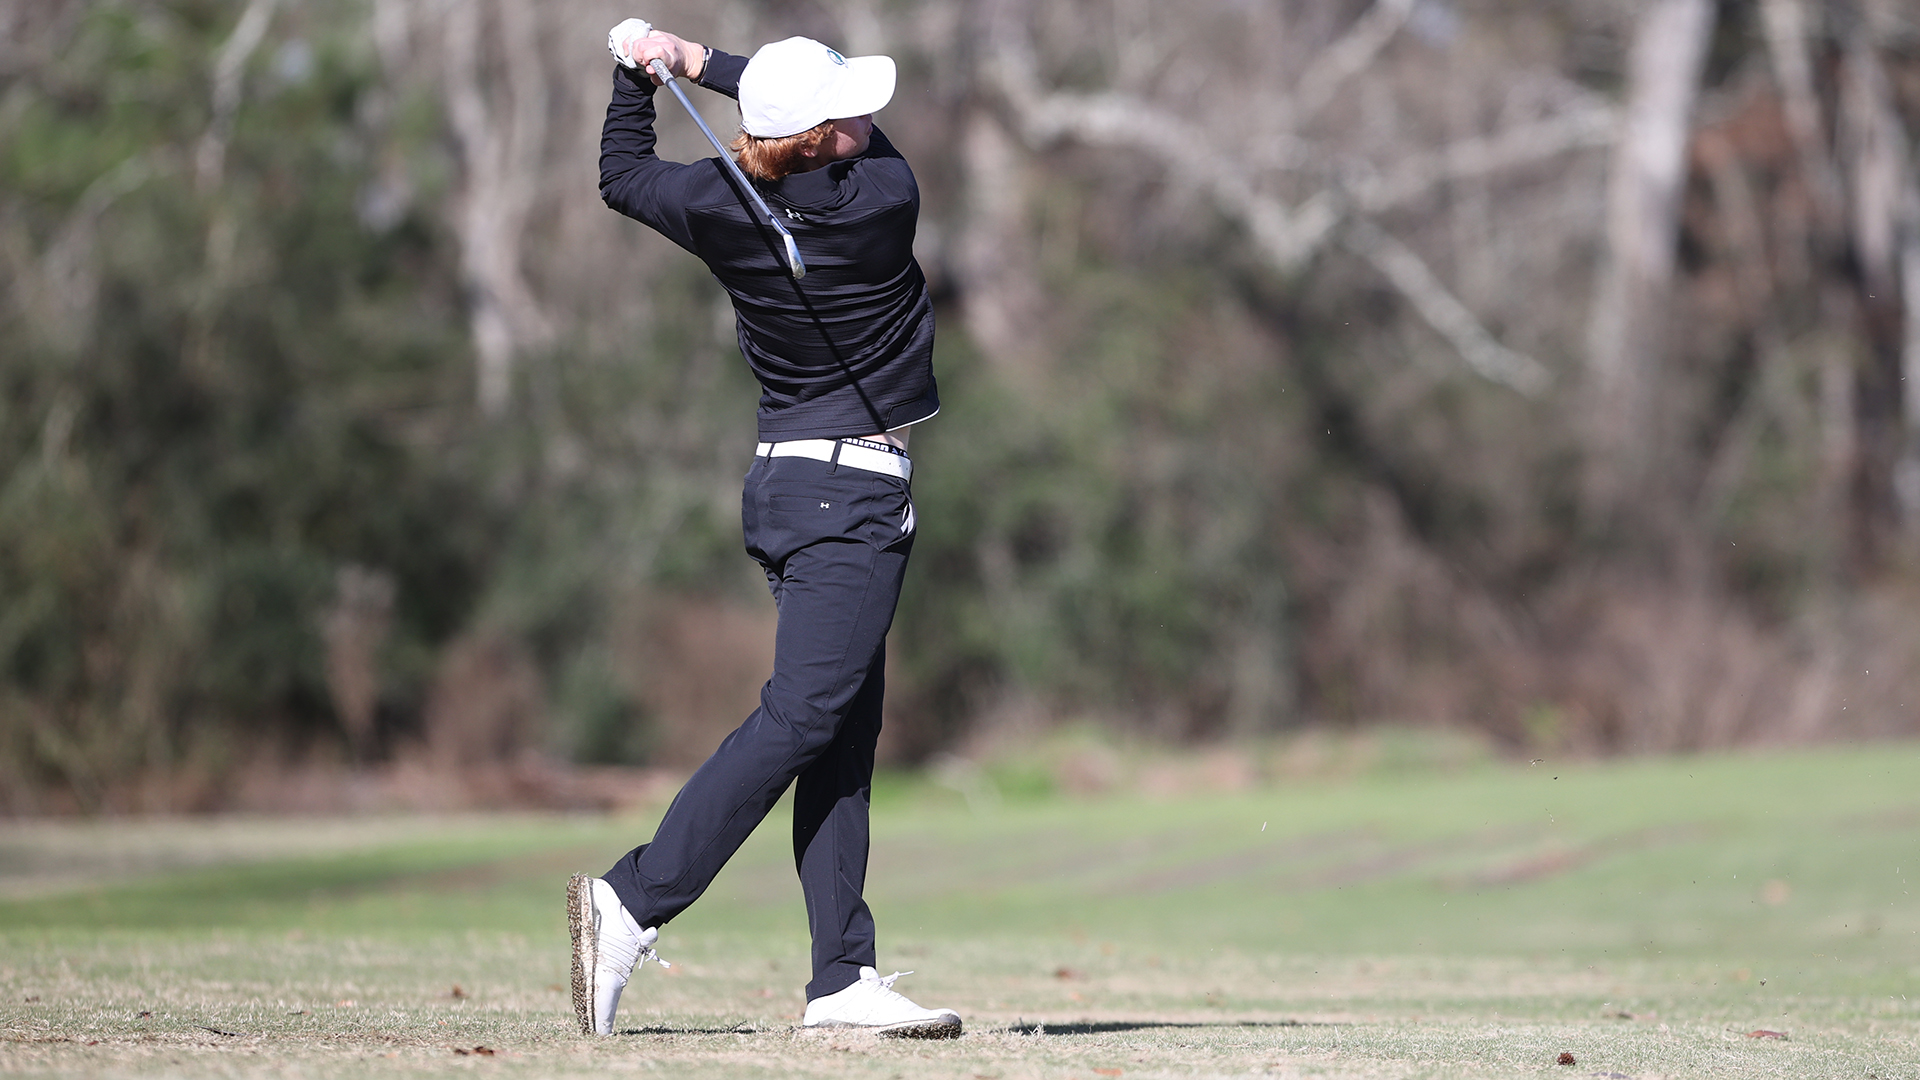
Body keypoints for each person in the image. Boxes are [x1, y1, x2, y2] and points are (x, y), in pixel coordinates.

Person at [566, 20, 960, 1040]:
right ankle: (633, 900)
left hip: (788, 487)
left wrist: (635, 74)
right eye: (846, 115)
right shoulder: (886, 199)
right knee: (801, 716)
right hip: (852, 499)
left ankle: (842, 975)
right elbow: (865, 141)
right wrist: (704, 63)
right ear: (825, 141)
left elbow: (620, 176)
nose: (868, 122)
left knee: (840, 729)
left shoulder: (717, 202)